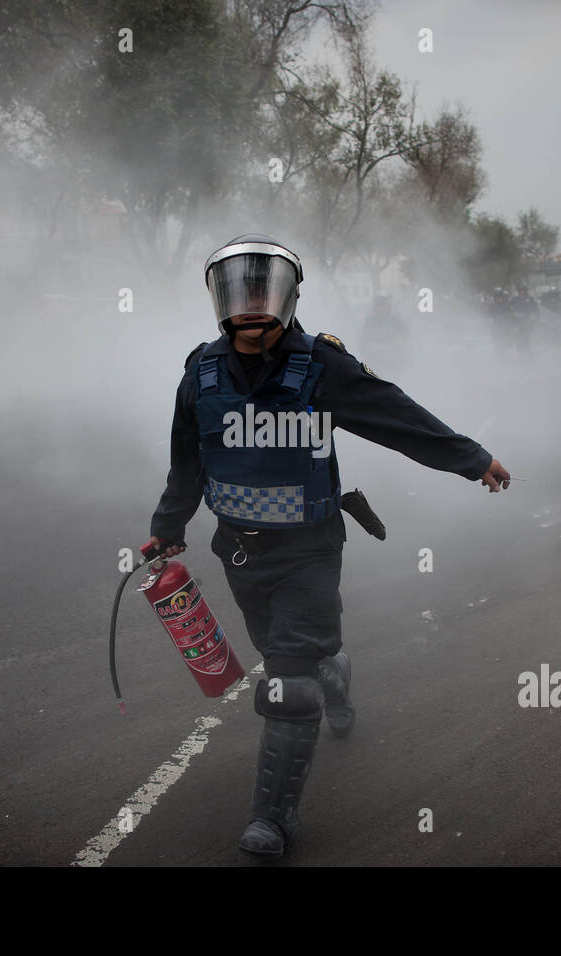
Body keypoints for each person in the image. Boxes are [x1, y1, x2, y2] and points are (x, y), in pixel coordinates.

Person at [146, 233, 512, 860]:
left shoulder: (320, 365)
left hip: (310, 552)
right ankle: (334, 674)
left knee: (286, 686)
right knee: (290, 656)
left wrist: (470, 458)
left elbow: (395, 415)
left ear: (287, 296)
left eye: (264, 288)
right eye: (241, 288)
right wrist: (169, 524)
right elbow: (188, 460)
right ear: (220, 297)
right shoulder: (200, 372)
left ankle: (272, 819)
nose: (252, 302)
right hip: (237, 551)